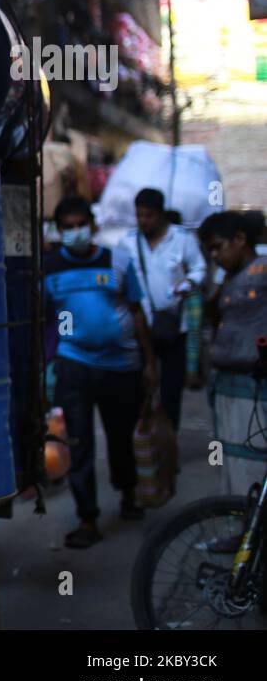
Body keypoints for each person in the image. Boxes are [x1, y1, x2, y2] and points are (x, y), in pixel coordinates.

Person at [44, 197, 157, 548]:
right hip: (74, 362)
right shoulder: (48, 269)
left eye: (80, 224)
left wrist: (150, 363)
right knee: (78, 442)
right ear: (59, 231)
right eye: (67, 227)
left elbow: (137, 311)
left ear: (92, 226)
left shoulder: (118, 261)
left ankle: (128, 494)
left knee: (121, 436)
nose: (75, 232)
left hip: (121, 365)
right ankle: (87, 517)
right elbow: (43, 319)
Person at [197, 211, 267, 496]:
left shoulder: (262, 272)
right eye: (210, 250)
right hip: (228, 385)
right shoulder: (228, 280)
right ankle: (239, 527)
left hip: (252, 387)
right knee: (232, 459)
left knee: (251, 460)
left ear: (240, 239)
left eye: (218, 247)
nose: (215, 255)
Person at [125, 188, 205, 429]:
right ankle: (143, 441)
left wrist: (188, 283)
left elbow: (199, 269)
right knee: (140, 388)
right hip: (141, 327)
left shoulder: (182, 239)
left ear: (160, 214)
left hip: (173, 326)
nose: (143, 221)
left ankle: (168, 444)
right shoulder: (128, 242)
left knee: (171, 391)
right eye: (139, 215)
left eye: (148, 215)